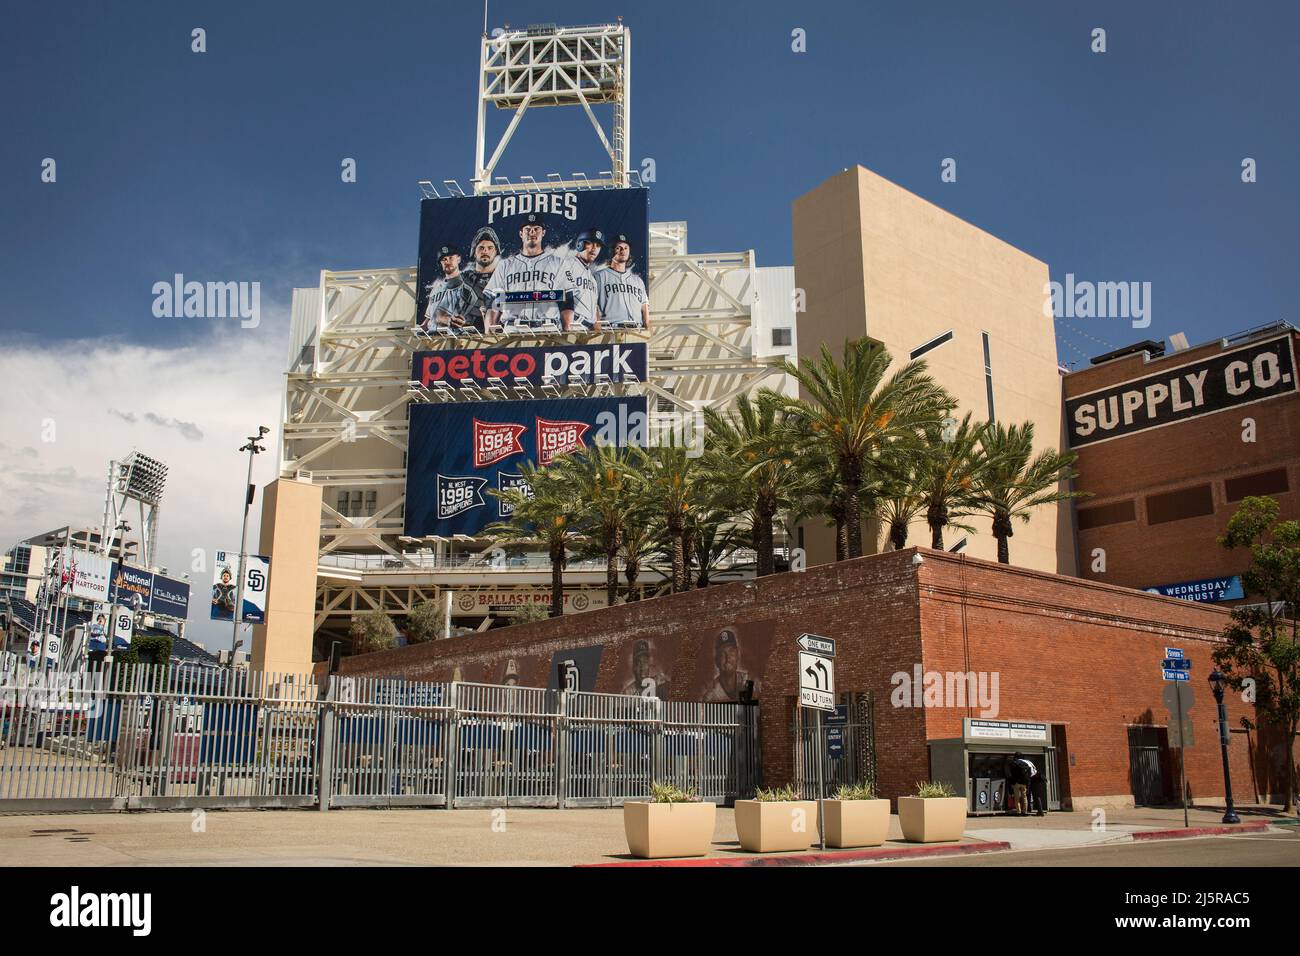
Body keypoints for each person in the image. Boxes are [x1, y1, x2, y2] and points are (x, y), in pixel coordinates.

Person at [483, 214, 574, 332]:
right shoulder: (505, 265)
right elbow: (494, 303)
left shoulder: (559, 263)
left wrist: (568, 332)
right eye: (528, 229)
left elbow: (567, 302)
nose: (532, 232)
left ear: (543, 233)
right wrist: (490, 334)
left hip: (547, 328)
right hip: (513, 329)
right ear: (521, 233)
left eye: (537, 229)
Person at [595, 234, 650, 330]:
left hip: (636, 330)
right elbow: (593, 304)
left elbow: (644, 308)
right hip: (611, 329)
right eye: (618, 248)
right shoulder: (599, 276)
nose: (623, 251)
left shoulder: (637, 281)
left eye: (626, 248)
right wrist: (597, 328)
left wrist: (648, 329)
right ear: (611, 251)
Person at [459, 227, 501, 333]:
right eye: (481, 248)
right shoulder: (462, 280)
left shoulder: (503, 279)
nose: (485, 251)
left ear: (496, 252)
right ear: (474, 252)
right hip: (467, 337)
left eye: (490, 247)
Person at [561, 229, 604, 330]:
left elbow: (595, 309)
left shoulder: (592, 279)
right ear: (579, 245)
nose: (594, 249)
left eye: (598, 246)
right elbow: (563, 298)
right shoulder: (567, 265)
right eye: (590, 243)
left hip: (588, 330)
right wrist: (568, 328)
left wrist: (598, 332)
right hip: (574, 325)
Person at [704, 629, 751, 702]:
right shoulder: (710, 697)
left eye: (731, 651)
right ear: (717, 661)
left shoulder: (750, 681)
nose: (728, 657)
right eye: (722, 653)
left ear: (737, 655)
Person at [1007, 752, 1045, 816]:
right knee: (1031, 796)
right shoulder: (1028, 761)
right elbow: (1034, 769)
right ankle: (1033, 810)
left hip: (1028, 780)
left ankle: (1028, 810)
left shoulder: (1016, 762)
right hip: (1035, 777)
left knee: (1026, 795)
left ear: (1016, 757)